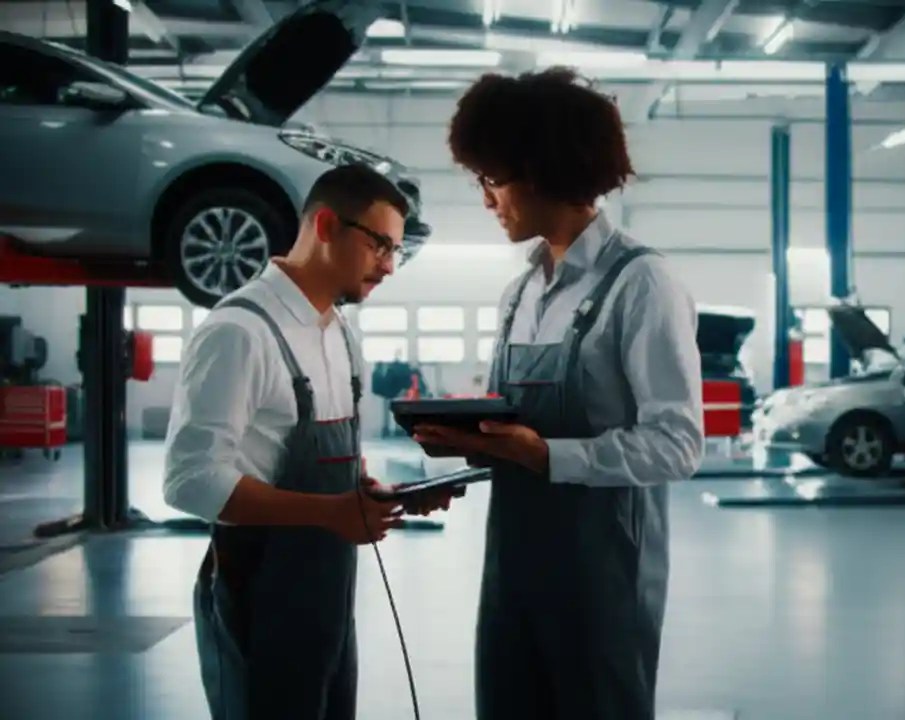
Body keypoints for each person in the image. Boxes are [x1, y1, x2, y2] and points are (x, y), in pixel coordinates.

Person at [415, 67, 705, 720]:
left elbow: (678, 445)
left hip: (603, 581)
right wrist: (468, 450)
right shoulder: (520, 292)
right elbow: (511, 428)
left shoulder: (642, 284)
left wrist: (544, 455)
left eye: (493, 179)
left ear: (540, 170)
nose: (487, 199)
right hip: (512, 568)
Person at [162, 163, 448, 720]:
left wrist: (372, 493)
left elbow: (329, 463)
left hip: (327, 594)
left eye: (396, 251)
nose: (389, 266)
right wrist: (328, 512)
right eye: (379, 246)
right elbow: (189, 480)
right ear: (324, 226)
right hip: (258, 592)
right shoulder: (239, 332)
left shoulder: (339, 333)